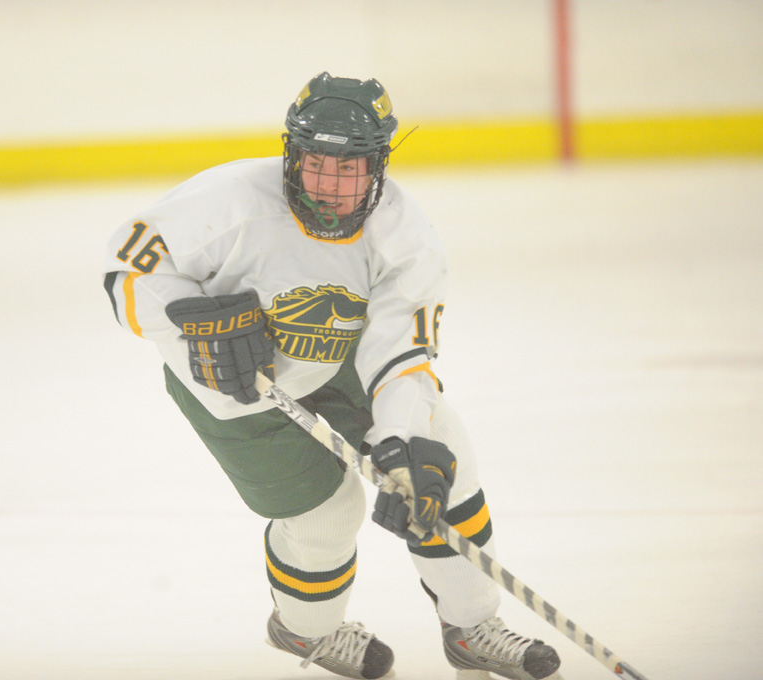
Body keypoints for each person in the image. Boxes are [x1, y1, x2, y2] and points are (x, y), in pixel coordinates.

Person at [102, 72, 561, 680]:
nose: (331, 187)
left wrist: (398, 441)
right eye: (318, 164)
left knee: (436, 457)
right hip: (232, 380)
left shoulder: (405, 238)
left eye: (351, 170)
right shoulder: (227, 201)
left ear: (378, 167)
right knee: (328, 512)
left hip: (342, 357)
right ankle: (305, 631)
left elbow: (401, 355)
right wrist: (191, 323)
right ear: (292, 156)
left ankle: (472, 626)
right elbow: (126, 272)